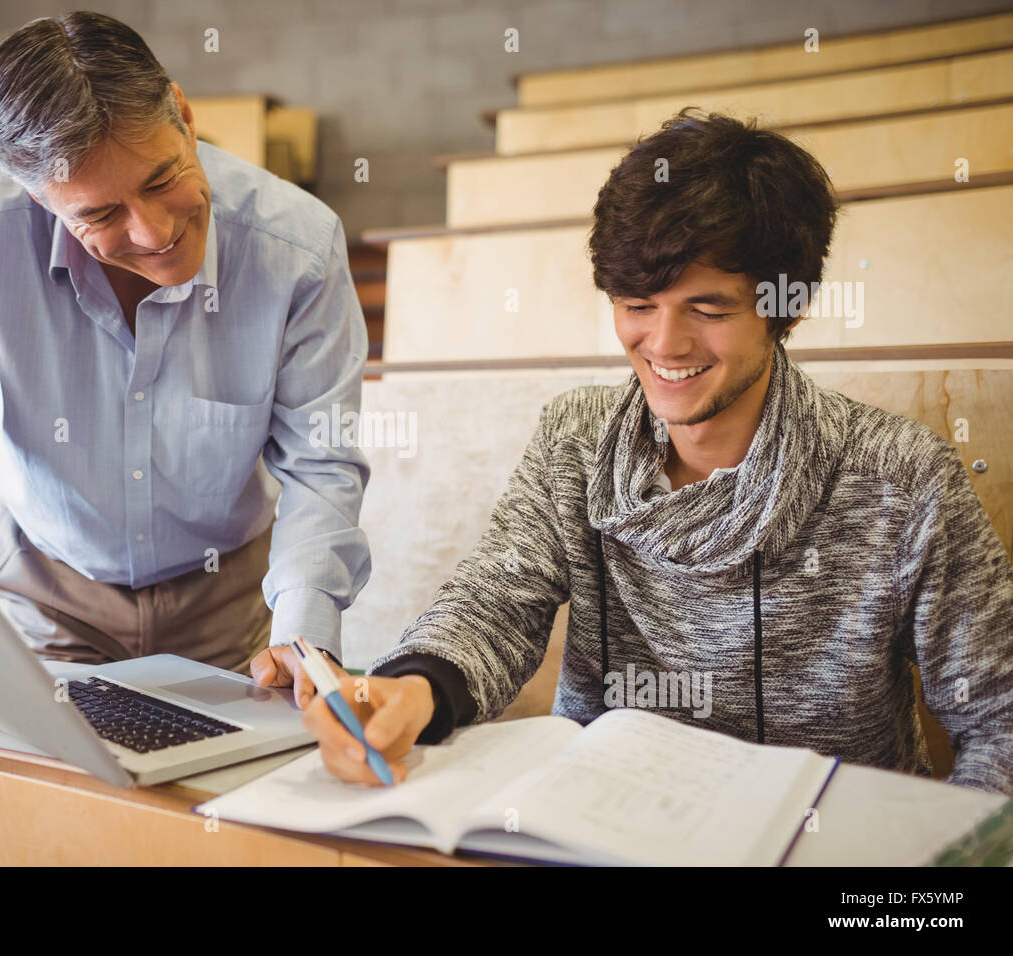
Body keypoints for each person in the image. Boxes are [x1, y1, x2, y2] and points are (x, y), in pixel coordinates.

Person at [303, 108, 1013, 795]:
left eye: (708, 309)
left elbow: (1000, 720)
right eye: (637, 305)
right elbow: (496, 602)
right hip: (602, 832)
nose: (665, 345)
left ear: (784, 308)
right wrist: (414, 687)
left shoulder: (900, 476)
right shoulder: (575, 440)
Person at [0, 12, 371, 839]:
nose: (154, 234)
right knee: (40, 836)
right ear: (32, 193)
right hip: (41, 597)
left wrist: (305, 632)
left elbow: (320, 467)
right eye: (98, 215)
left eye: (162, 178)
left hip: (228, 606)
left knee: (220, 843)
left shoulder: (297, 245)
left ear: (184, 116)